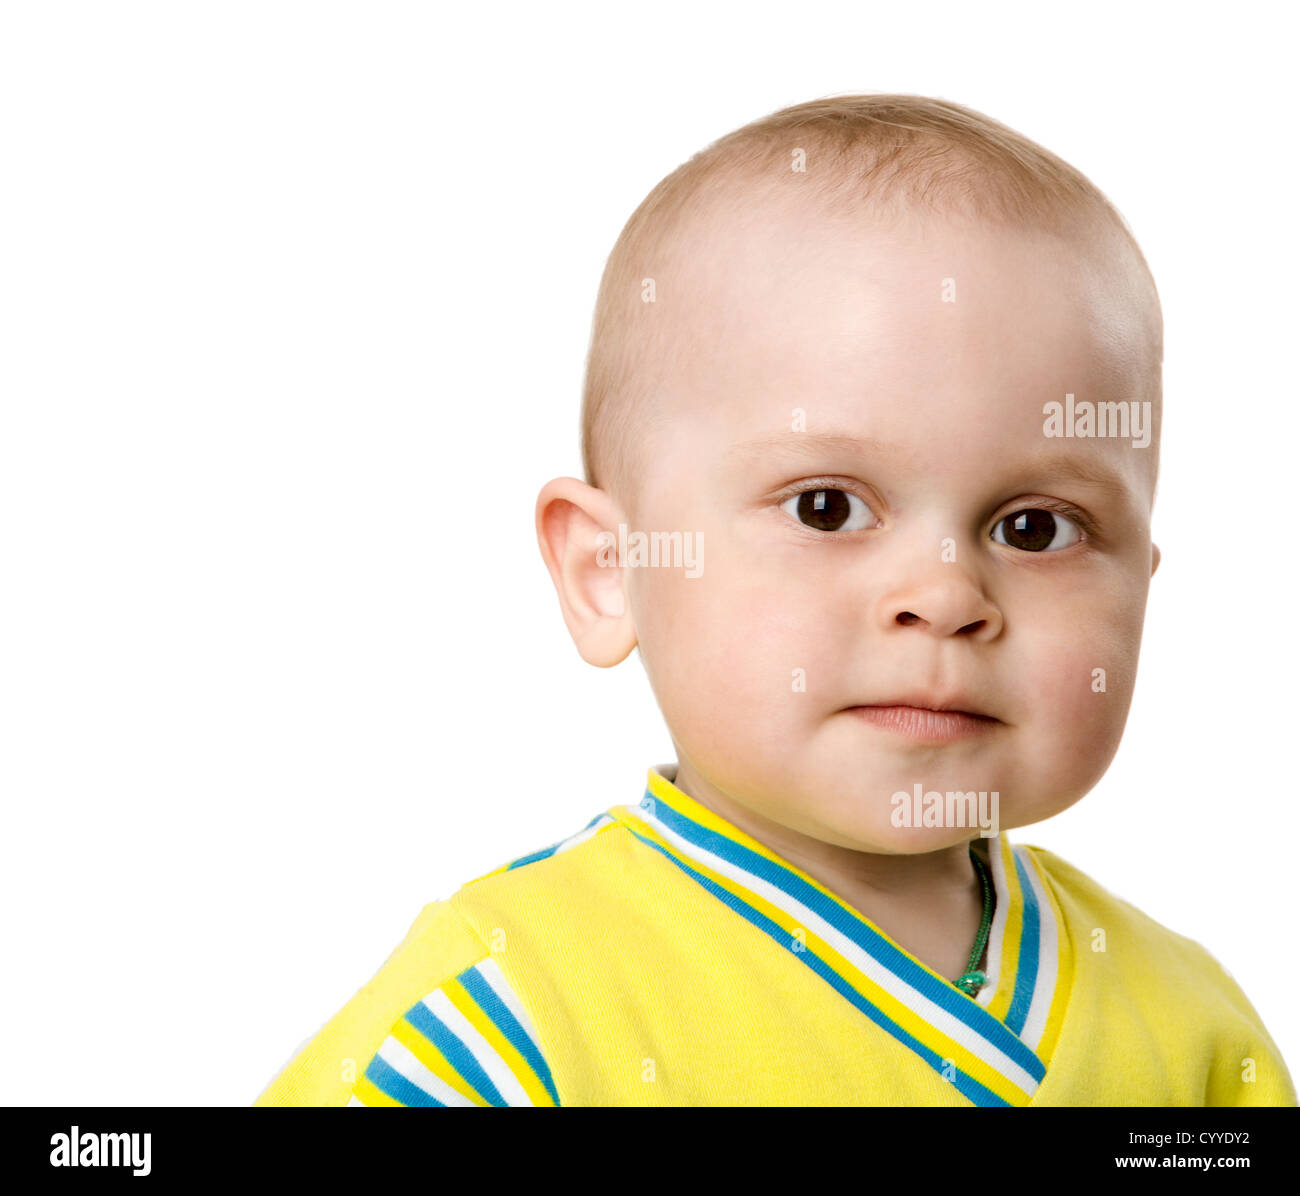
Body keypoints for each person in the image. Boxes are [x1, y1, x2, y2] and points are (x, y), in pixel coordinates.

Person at [254, 93, 1295, 1106]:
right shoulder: (502, 1014)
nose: (941, 595)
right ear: (608, 570)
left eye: (1034, 527)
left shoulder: (1195, 1035)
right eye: (828, 506)